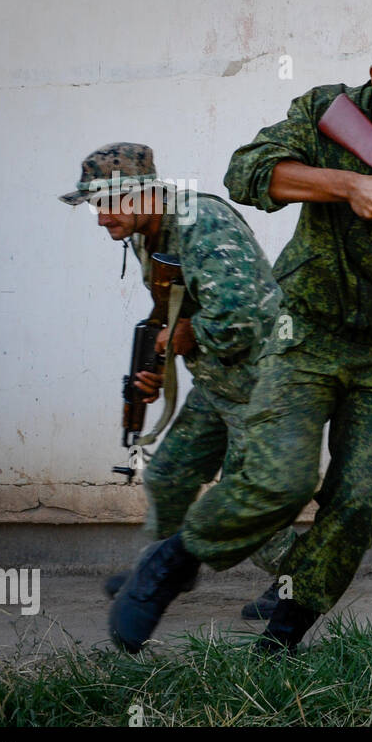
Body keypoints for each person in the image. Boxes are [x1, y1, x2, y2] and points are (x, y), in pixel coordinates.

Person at [107, 8, 372, 654]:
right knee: (280, 480)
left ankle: (286, 631)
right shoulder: (325, 113)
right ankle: (171, 562)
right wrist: (346, 184)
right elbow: (248, 174)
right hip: (301, 334)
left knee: (362, 501)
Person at [60, 143, 293, 620]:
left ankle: (297, 584)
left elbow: (246, 316)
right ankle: (169, 570)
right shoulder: (149, 234)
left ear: (144, 194)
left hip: (260, 382)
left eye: (108, 203)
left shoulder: (200, 223)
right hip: (218, 382)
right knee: (169, 473)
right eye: (95, 206)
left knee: (249, 493)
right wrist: (156, 361)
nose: (101, 218)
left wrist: (183, 334)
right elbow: (178, 307)